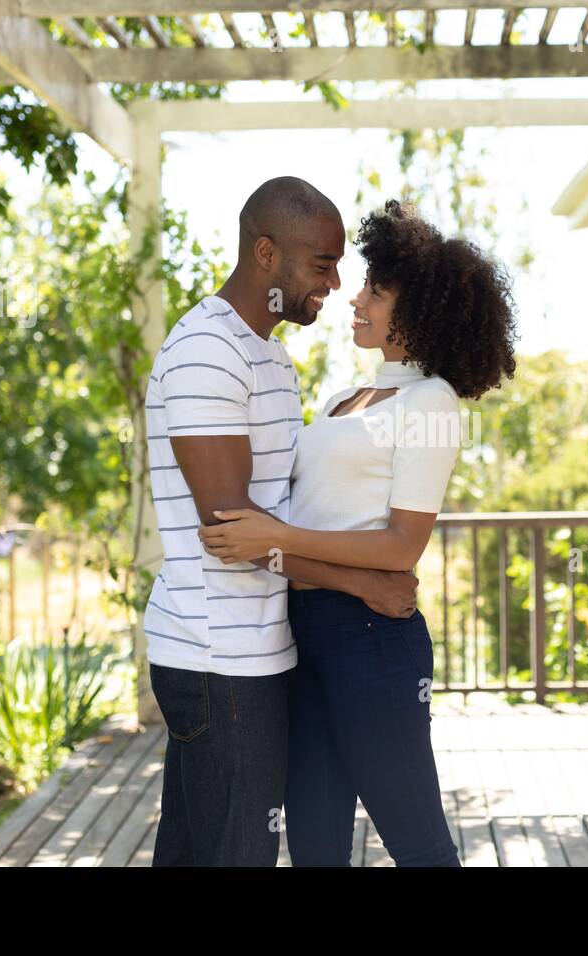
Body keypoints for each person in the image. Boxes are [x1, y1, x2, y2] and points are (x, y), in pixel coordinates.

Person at [199, 199, 518, 866]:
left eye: (376, 288)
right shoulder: (343, 400)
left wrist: (274, 539)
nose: (355, 297)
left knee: (418, 842)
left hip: (372, 647)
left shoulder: (430, 403)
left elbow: (403, 548)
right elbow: (308, 526)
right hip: (306, 633)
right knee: (315, 846)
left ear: (421, 308)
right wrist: (275, 541)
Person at [144, 178, 419, 867]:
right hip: (220, 659)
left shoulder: (267, 355)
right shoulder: (210, 351)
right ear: (266, 253)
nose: (335, 283)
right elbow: (232, 531)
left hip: (254, 650)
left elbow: (277, 516)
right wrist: (361, 584)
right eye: (321, 264)